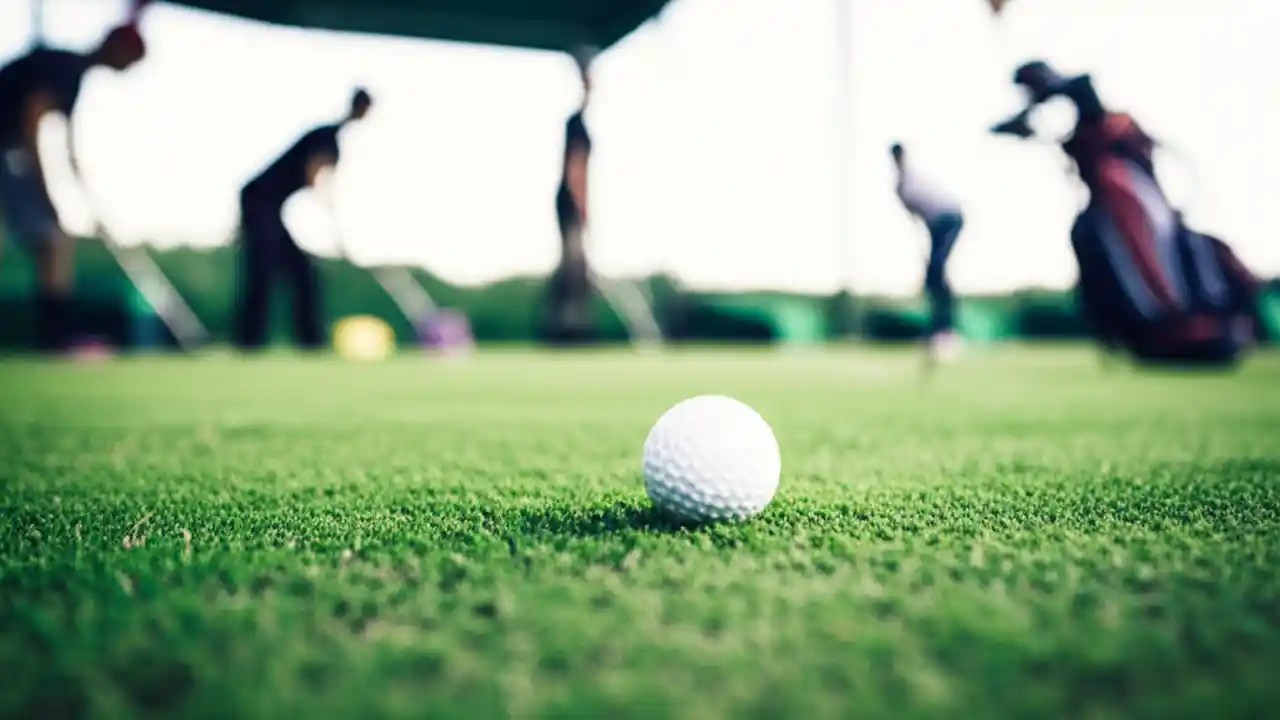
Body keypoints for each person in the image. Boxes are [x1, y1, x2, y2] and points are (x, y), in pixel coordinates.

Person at [996, 61, 1258, 365]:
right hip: (1112, 205)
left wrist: (1042, 95)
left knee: (1141, 248)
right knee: (1089, 237)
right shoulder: (1080, 126)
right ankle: (1136, 332)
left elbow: (1078, 87)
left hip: (1137, 202)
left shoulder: (1091, 105)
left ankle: (1178, 321)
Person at [0, 25, 147, 352]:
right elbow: (32, 122)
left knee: (53, 241)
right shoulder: (65, 69)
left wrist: (90, 204)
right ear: (118, 49)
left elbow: (67, 149)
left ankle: (56, 336)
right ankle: (57, 338)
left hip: (9, 150)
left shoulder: (72, 74)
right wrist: (46, 195)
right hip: (7, 149)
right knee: (53, 240)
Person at [235, 89, 372, 350]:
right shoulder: (326, 137)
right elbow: (316, 179)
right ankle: (249, 342)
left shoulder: (331, 139)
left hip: (269, 207)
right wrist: (335, 228)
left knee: (303, 273)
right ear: (361, 108)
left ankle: (310, 342)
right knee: (262, 272)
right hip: (258, 201)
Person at [890, 143, 965, 359]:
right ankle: (937, 330)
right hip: (936, 225)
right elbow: (916, 221)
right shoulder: (901, 188)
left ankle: (946, 331)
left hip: (951, 218)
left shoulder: (913, 180)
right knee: (933, 275)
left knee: (937, 271)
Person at [544, 47, 596, 345]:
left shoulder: (578, 121)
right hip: (570, 203)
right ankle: (567, 329)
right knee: (573, 268)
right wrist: (583, 205)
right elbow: (576, 167)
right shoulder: (576, 122)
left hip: (568, 201)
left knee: (575, 266)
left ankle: (569, 326)